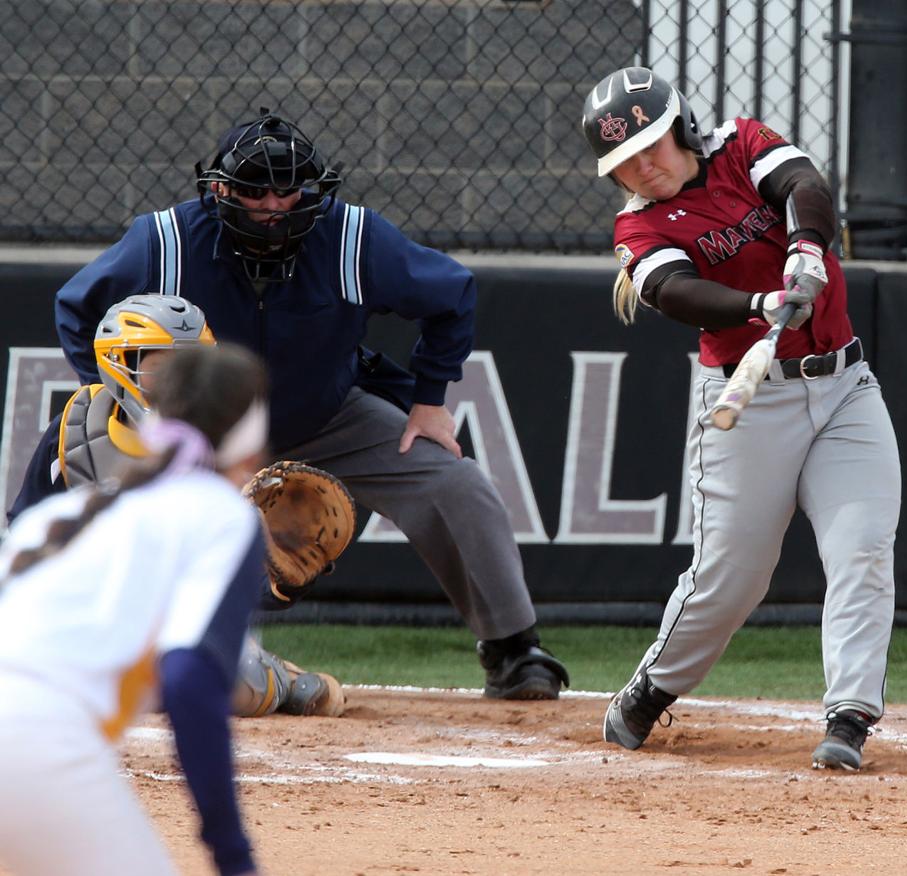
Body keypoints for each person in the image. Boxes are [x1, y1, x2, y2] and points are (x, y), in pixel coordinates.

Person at [53, 110, 568, 700]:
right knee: (114, 485)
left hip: (329, 416)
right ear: (219, 189)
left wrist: (429, 400)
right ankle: (124, 641)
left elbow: (452, 295)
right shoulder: (166, 242)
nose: (274, 205)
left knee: (456, 484)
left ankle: (511, 648)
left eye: (288, 189)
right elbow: (77, 308)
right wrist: (125, 402)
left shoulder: (352, 236)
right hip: (206, 431)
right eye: (256, 190)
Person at [581, 67, 901, 770]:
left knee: (861, 549)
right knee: (733, 576)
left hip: (845, 386)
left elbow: (804, 185)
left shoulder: (740, 144)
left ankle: (849, 717)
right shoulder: (637, 227)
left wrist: (806, 247)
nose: (644, 166)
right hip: (750, 401)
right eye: (625, 160)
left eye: (652, 145)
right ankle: (652, 688)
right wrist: (761, 304)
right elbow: (676, 291)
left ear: (682, 128)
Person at [8, 293, 345, 718]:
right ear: (118, 363)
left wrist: (282, 582)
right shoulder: (76, 429)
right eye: (162, 366)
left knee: (229, 686)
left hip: (177, 617)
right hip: (87, 606)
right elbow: (25, 530)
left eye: (190, 365)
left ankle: (278, 677)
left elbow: (229, 587)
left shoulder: (219, 443)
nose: (180, 381)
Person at [0, 343, 269, 875]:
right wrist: (233, 856)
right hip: (36, 740)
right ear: (250, 438)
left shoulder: (67, 510)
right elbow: (189, 679)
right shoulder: (221, 513)